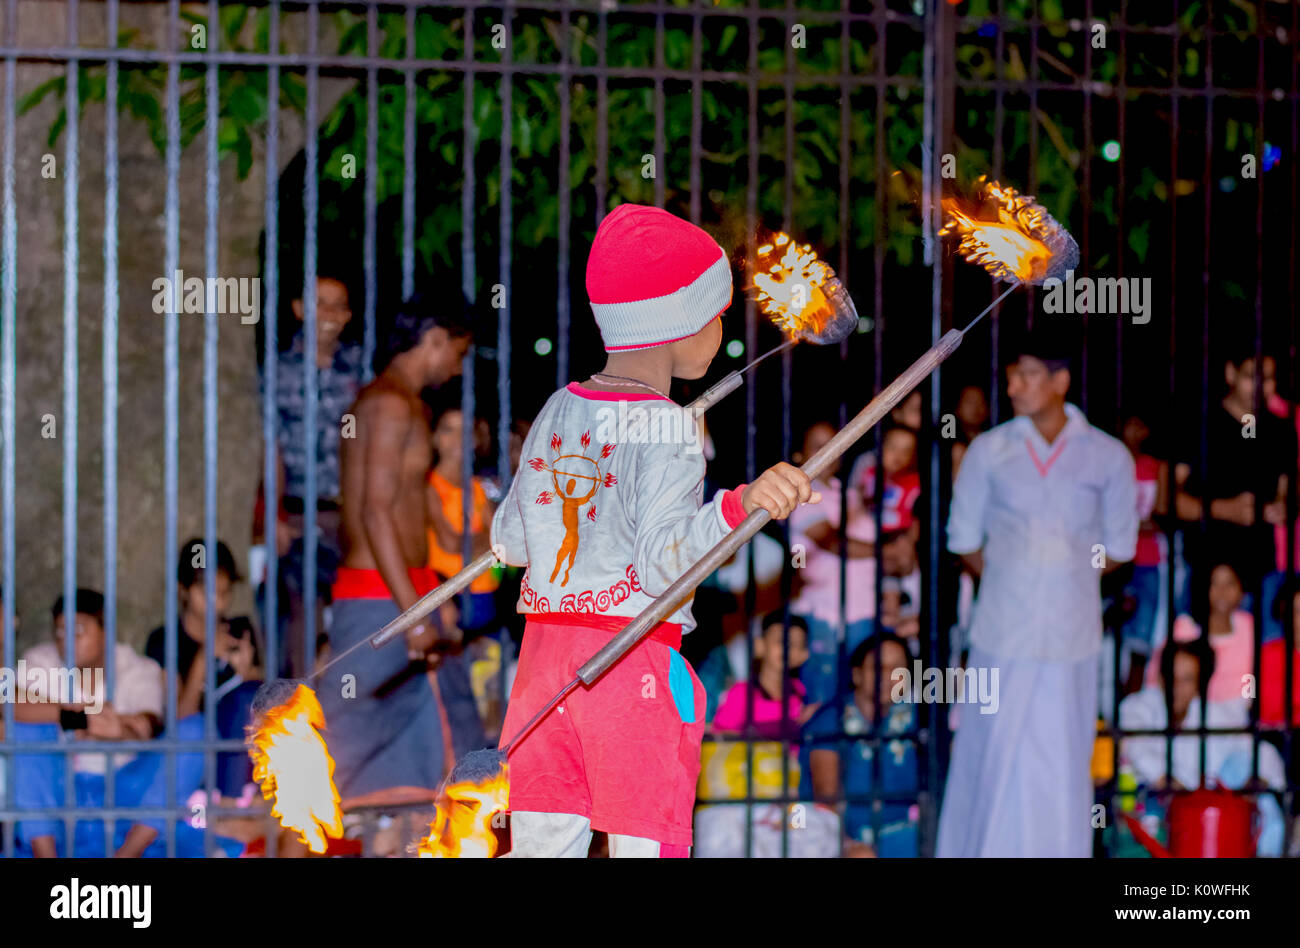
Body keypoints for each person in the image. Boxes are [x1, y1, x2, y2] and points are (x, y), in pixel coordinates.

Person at [490, 203, 820, 857]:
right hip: (629, 665)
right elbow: (666, 565)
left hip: (542, 666)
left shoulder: (560, 406)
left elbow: (513, 542)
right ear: (679, 322)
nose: (722, 328)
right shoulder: (672, 425)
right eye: (714, 313)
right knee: (643, 845)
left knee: (541, 845)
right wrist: (739, 506)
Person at [936, 325, 1138, 857]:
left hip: (1073, 635)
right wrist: (1015, 576)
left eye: (1026, 375)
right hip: (1001, 630)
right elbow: (964, 541)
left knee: (1063, 757)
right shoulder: (989, 450)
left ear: (1059, 381)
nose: (1013, 386)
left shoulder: (1107, 456)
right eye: (1011, 375)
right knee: (992, 752)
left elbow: (1119, 546)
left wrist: (1063, 578)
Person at [317, 298, 472, 800]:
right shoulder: (388, 404)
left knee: (422, 772)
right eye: (458, 352)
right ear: (434, 340)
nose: (458, 366)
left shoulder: (397, 402)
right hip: (382, 602)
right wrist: (415, 617)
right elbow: (374, 511)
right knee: (337, 757)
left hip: (397, 597)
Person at [257, 273, 367, 679]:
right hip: (300, 513)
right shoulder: (277, 370)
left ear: (349, 315)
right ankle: (302, 705)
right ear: (299, 309)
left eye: (339, 305)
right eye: (320, 302)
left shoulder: (362, 366)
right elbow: (272, 446)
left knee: (355, 608)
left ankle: (350, 702)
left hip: (353, 513)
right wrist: (275, 516)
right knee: (302, 611)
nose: (330, 314)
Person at [12, 590, 164, 857]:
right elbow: (8, 700)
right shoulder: (41, 661)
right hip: (62, 788)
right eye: (59, 632)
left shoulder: (134, 667)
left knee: (195, 731)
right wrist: (77, 717)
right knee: (25, 729)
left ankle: (128, 853)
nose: (67, 641)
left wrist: (121, 731)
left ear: (106, 631)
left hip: (123, 788)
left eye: (79, 630)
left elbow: (151, 723)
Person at [1119, 637, 1287, 856]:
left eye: (1187, 679)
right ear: (1160, 678)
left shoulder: (1214, 715)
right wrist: (1166, 780)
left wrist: (1255, 783)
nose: (1177, 687)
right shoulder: (1138, 707)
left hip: (1204, 819)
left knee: (1248, 773)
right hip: (1154, 809)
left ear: (1199, 684)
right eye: (1171, 677)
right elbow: (1134, 744)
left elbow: (1262, 752)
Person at [1173, 344, 1295, 605]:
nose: (1262, 386)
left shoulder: (1281, 430)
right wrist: (1224, 509)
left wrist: (1283, 507)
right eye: (1252, 377)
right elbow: (1170, 501)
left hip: (1263, 575)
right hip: (1205, 575)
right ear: (1230, 373)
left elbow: (1286, 489)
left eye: (1269, 378)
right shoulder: (1198, 424)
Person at [144, 538, 263, 797]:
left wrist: (250, 674)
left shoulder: (239, 630)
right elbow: (179, 717)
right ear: (183, 589)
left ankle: (240, 799)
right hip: (192, 755)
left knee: (250, 696)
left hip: (240, 749)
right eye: (206, 592)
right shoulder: (165, 640)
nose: (217, 603)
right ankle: (229, 804)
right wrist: (204, 656)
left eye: (224, 593)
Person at [801, 630, 919, 857]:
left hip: (904, 835)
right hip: (837, 837)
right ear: (857, 675)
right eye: (877, 667)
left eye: (898, 669)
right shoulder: (829, 721)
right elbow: (827, 797)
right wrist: (847, 846)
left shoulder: (917, 722)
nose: (888, 676)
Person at [788, 421, 877, 705]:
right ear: (800, 455)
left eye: (833, 443)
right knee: (821, 700)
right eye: (817, 445)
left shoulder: (854, 497)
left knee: (861, 701)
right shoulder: (800, 496)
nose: (827, 452)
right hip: (822, 614)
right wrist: (888, 551)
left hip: (864, 612)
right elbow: (832, 542)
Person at [424, 402, 492, 759]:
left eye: (464, 430)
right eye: (448, 429)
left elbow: (498, 533)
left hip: (483, 593)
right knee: (455, 682)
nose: (456, 439)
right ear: (435, 437)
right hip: (449, 593)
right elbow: (451, 542)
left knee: (484, 679)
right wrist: (482, 537)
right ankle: (461, 759)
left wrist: (476, 539)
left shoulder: (475, 486)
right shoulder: (429, 486)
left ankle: (482, 757)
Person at [1144, 561, 1253, 705]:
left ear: (1241, 591)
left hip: (1238, 711)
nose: (1222, 591)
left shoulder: (1247, 625)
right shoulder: (1184, 628)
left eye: (1230, 584)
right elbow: (1155, 676)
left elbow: (1253, 676)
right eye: (1215, 584)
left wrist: (1248, 705)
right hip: (1192, 711)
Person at [711, 612, 815, 738]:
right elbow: (720, 736)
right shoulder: (742, 693)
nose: (787, 649)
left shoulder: (799, 691)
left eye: (795, 645)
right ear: (759, 646)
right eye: (780, 641)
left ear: (804, 655)